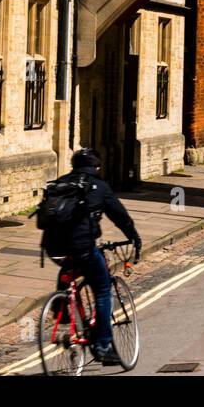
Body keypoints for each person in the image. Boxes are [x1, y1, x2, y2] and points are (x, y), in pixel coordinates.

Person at [49, 149, 141, 366]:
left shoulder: (61, 183)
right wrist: (133, 237)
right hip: (83, 247)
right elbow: (120, 216)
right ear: (97, 167)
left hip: (54, 248)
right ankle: (103, 345)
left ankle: (62, 312)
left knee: (69, 274)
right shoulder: (99, 186)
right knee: (102, 288)